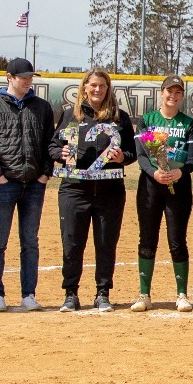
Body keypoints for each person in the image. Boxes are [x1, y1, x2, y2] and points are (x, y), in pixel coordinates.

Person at [0, 56, 55, 312]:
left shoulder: (41, 107)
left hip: (33, 184)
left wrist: (44, 174)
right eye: (24, 77)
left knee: (29, 240)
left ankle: (28, 294)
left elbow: (50, 144)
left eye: (31, 77)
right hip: (3, 184)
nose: (29, 81)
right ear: (10, 78)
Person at [51, 69, 136, 312]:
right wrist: (61, 154)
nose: (98, 90)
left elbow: (132, 151)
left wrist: (123, 156)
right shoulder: (71, 115)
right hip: (74, 190)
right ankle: (71, 293)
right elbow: (54, 146)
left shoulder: (120, 118)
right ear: (85, 88)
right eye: (93, 85)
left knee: (106, 243)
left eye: (102, 86)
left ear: (108, 89)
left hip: (110, 191)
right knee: (72, 243)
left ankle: (102, 292)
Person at [132, 74, 193, 313]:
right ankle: (144, 294)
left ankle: (182, 294)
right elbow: (141, 155)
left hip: (178, 187)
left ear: (182, 96)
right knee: (148, 239)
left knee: (177, 240)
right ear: (162, 93)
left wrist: (179, 174)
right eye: (169, 91)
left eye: (178, 92)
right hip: (151, 186)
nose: (173, 95)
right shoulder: (147, 121)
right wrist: (154, 172)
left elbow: (192, 159)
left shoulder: (188, 124)